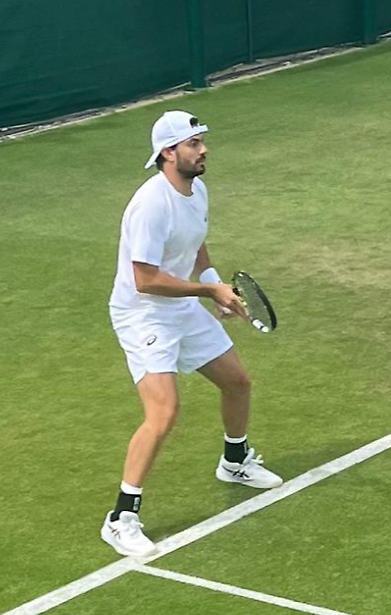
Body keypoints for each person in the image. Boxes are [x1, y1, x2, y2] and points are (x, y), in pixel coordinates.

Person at [101, 110, 284, 557]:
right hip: (144, 315)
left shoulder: (196, 188)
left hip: (181, 306)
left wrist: (217, 287)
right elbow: (144, 279)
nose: (203, 150)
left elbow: (196, 247)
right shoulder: (149, 205)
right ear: (168, 152)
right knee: (163, 413)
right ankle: (121, 517)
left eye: (202, 140)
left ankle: (235, 461)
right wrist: (207, 290)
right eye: (193, 143)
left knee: (237, 382)